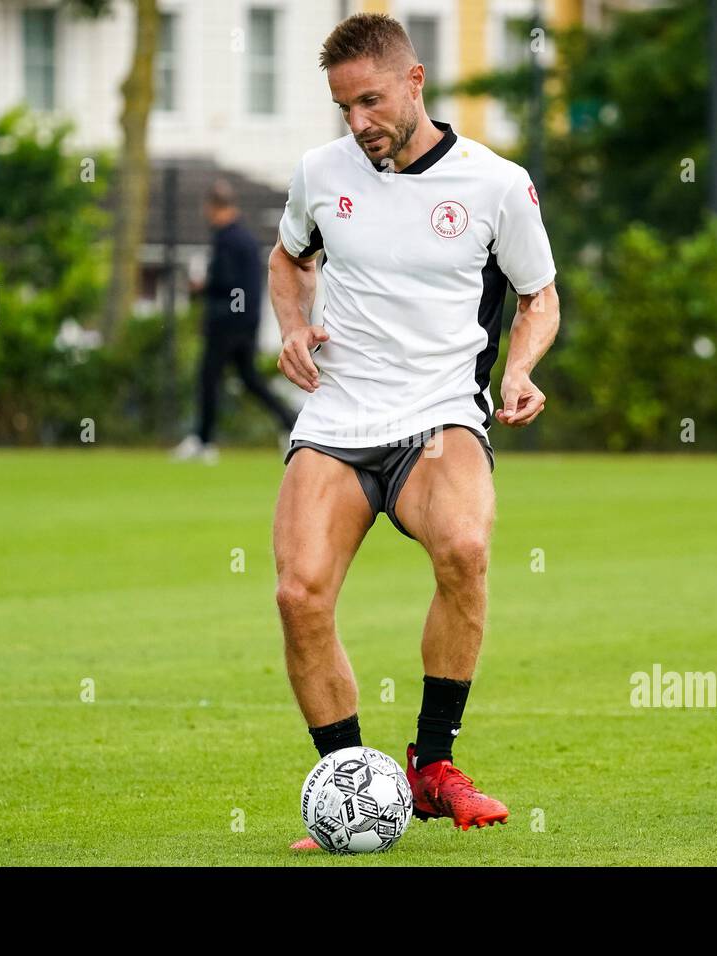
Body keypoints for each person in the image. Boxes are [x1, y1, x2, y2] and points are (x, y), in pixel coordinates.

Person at [268, 13, 561, 849]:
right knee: (298, 594)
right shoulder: (321, 173)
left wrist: (519, 368)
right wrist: (291, 324)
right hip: (338, 413)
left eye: (369, 101)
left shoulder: (496, 184)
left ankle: (433, 768)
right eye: (342, 108)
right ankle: (352, 787)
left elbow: (539, 296)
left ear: (414, 82)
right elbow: (289, 258)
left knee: (464, 547)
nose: (358, 124)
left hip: (440, 415)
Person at [173, 180, 296, 464]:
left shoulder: (228, 239)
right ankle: (291, 422)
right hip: (245, 323)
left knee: (209, 378)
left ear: (213, 207)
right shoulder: (244, 237)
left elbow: (228, 282)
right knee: (249, 380)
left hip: (226, 324)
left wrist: (202, 287)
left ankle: (203, 441)